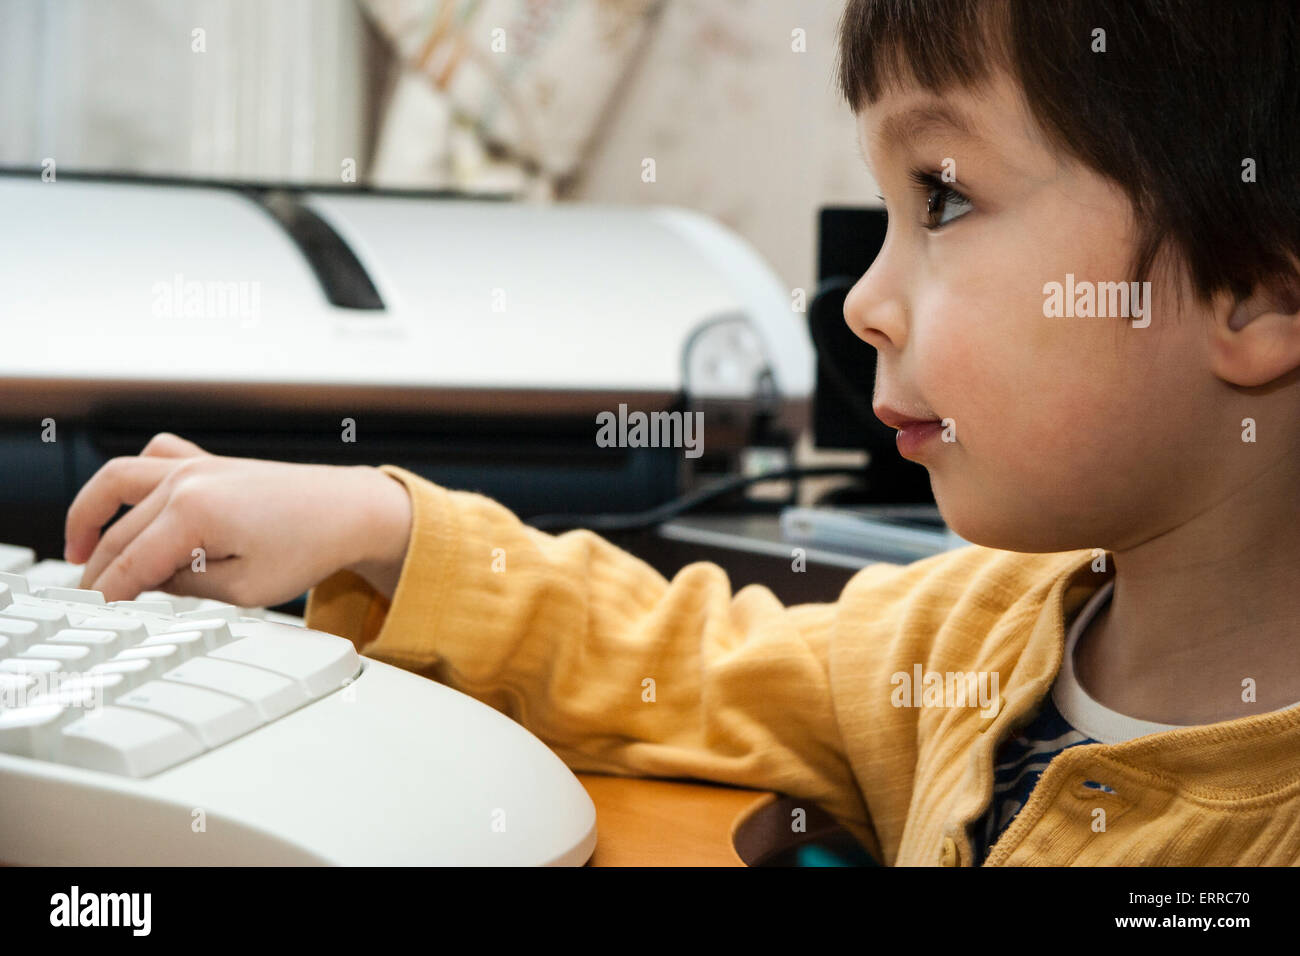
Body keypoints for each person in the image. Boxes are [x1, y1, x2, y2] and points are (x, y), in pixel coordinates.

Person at [63, 0, 1300, 865]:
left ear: (1258, 290)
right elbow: (683, 653)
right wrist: (382, 527)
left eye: (943, 197)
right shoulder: (974, 633)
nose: (860, 303)